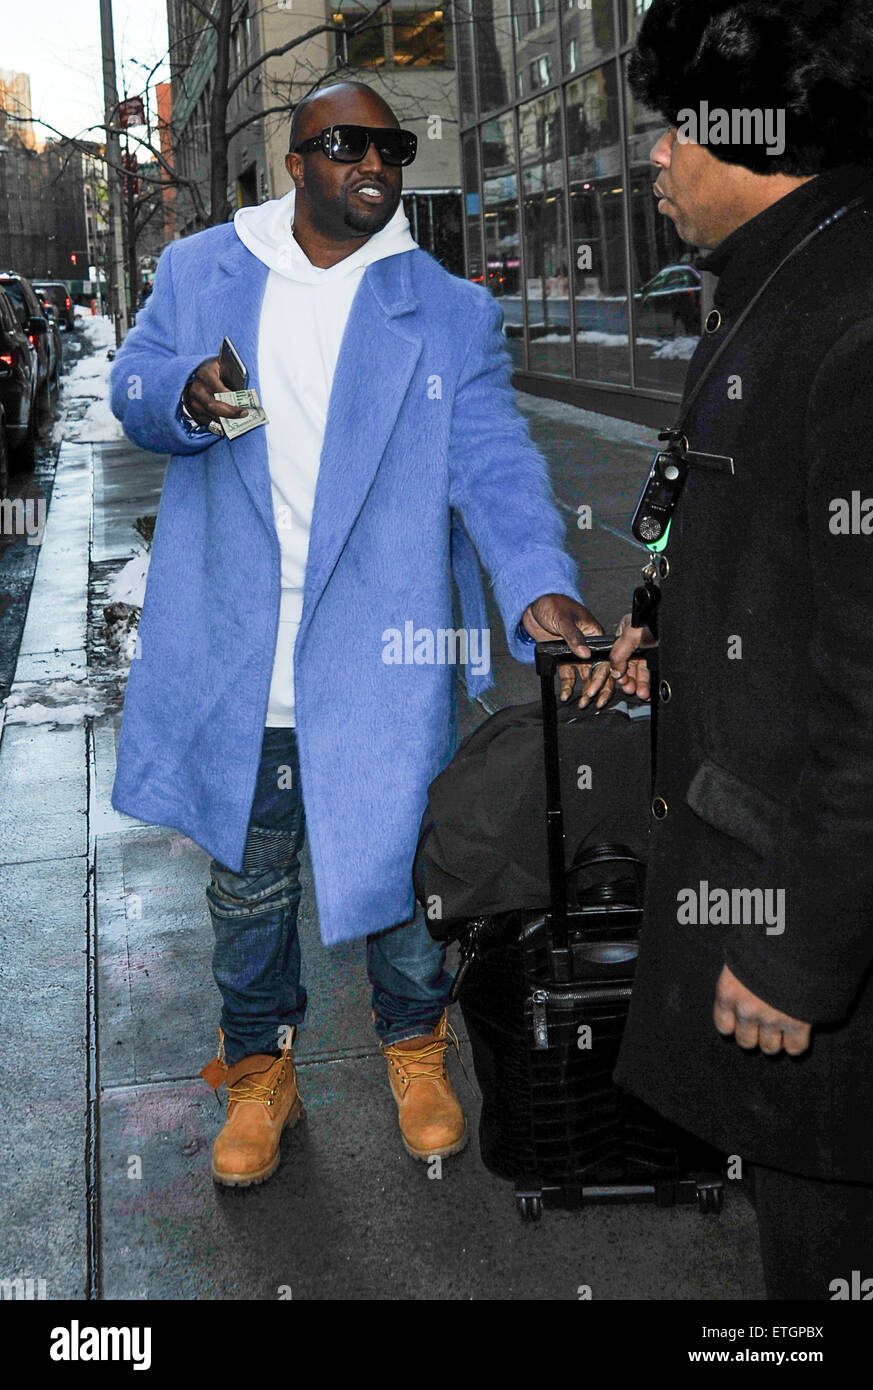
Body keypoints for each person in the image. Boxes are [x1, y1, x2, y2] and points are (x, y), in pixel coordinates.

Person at [109, 81, 605, 1188]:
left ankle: (415, 1049)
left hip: (382, 658)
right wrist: (182, 396)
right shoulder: (203, 269)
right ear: (296, 161)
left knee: (401, 873)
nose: (374, 163)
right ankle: (258, 1068)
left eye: (391, 145)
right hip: (238, 657)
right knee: (248, 887)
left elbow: (494, 463)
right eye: (346, 144)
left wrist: (537, 583)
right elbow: (131, 380)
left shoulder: (443, 308)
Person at [580, 0, 873, 1299]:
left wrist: (800, 944)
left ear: (760, 134)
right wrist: (666, 630)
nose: (655, 160)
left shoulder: (846, 315)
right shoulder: (788, 279)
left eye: (675, 130)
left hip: (818, 962)